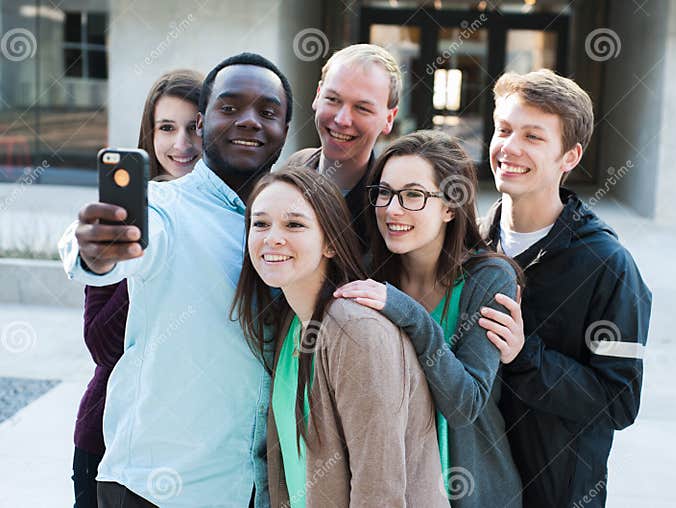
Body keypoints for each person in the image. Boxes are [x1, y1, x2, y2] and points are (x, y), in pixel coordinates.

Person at [58, 53, 292, 507]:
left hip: (252, 491)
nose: (249, 121)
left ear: (284, 129)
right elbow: (107, 244)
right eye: (230, 107)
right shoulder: (163, 206)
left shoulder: (285, 221)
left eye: (267, 112)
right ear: (202, 123)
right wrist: (93, 251)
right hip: (155, 491)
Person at [478, 69, 652, 507]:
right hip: (472, 488)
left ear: (569, 156)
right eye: (504, 129)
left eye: (533, 137)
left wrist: (525, 356)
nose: (510, 147)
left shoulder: (608, 265)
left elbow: (619, 401)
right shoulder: (471, 244)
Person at [231, 166, 448, 507]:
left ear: (331, 243)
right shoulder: (291, 324)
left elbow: (378, 486)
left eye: (294, 225)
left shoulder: (356, 329)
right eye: (260, 224)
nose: (272, 237)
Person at [333, 130, 525, 507]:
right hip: (396, 490)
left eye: (413, 195)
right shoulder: (368, 277)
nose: (392, 209)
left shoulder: (489, 278)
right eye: (384, 192)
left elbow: (465, 405)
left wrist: (410, 315)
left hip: (472, 495)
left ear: (450, 207)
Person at [72, 69, 203, 508]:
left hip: (193, 449)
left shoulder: (232, 216)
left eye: (195, 128)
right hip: (107, 439)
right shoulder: (121, 218)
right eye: (166, 127)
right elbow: (102, 344)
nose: (181, 144)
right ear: (150, 134)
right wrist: (147, 258)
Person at [285, 43, 400, 251]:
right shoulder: (293, 169)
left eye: (362, 108)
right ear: (318, 95)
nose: (342, 119)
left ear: (389, 118)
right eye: (333, 99)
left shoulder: (391, 205)